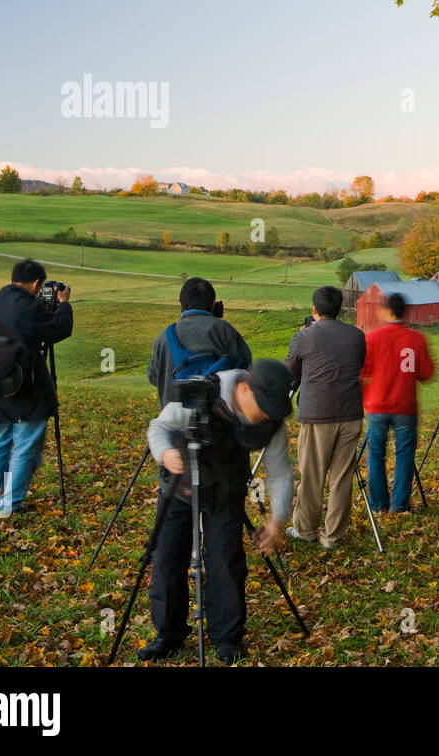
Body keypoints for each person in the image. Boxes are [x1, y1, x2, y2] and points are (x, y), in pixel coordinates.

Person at [141, 359, 295, 664]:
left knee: (226, 560)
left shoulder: (272, 420)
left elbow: (279, 471)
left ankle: (227, 637)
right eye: (262, 407)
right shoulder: (203, 395)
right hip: (180, 487)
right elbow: (159, 426)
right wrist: (166, 453)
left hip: (226, 489)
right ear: (244, 389)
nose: (265, 416)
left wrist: (277, 518)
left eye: (272, 411)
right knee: (167, 557)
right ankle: (168, 633)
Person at [0, 258, 73, 517]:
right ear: (36, 283)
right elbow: (58, 329)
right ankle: (9, 507)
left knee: (0, 440)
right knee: (26, 443)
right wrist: (64, 304)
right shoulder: (25, 306)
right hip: (25, 388)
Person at [285, 286, 366, 549]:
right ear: (340, 309)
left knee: (312, 475)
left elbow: (290, 371)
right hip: (351, 412)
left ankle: (306, 529)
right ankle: (332, 536)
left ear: (314, 309)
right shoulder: (357, 335)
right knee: (342, 477)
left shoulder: (304, 336)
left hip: (317, 413)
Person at [361, 293, 435, 513]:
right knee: (404, 454)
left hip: (377, 405)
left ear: (387, 311)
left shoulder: (372, 337)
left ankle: (378, 503)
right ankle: (399, 503)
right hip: (405, 405)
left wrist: (366, 395)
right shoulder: (416, 338)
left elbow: (361, 371)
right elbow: (426, 372)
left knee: (376, 454)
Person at [147, 277, 251, 407]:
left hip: (173, 421)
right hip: (220, 421)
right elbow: (246, 367)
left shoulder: (163, 339)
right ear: (213, 304)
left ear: (181, 304)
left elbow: (154, 377)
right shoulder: (224, 330)